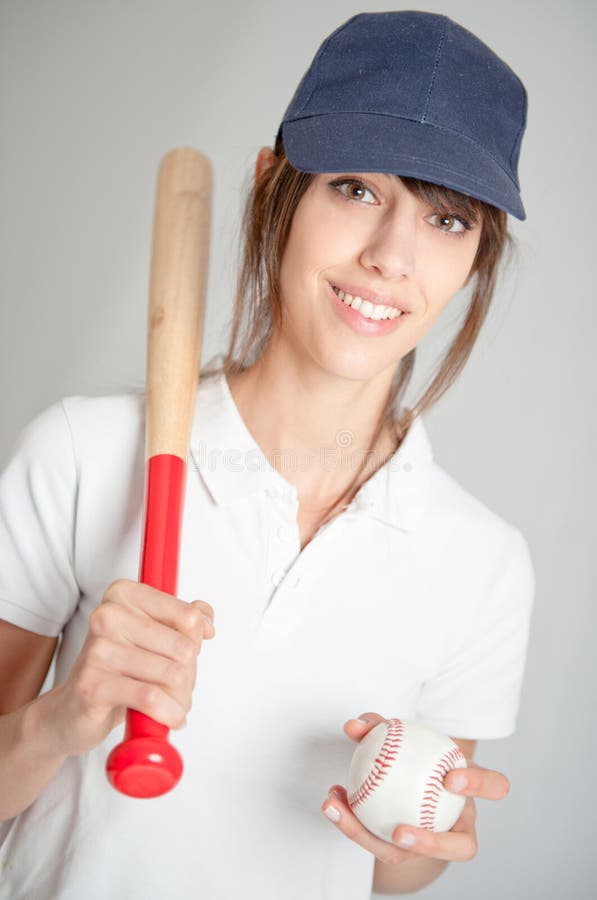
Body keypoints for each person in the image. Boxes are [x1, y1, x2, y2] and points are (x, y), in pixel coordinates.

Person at [0, 10, 535, 899]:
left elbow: (391, 873)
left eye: (448, 220)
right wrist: (61, 722)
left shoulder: (483, 563)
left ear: (476, 260)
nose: (390, 257)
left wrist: (416, 840)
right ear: (275, 186)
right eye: (357, 189)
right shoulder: (84, 453)